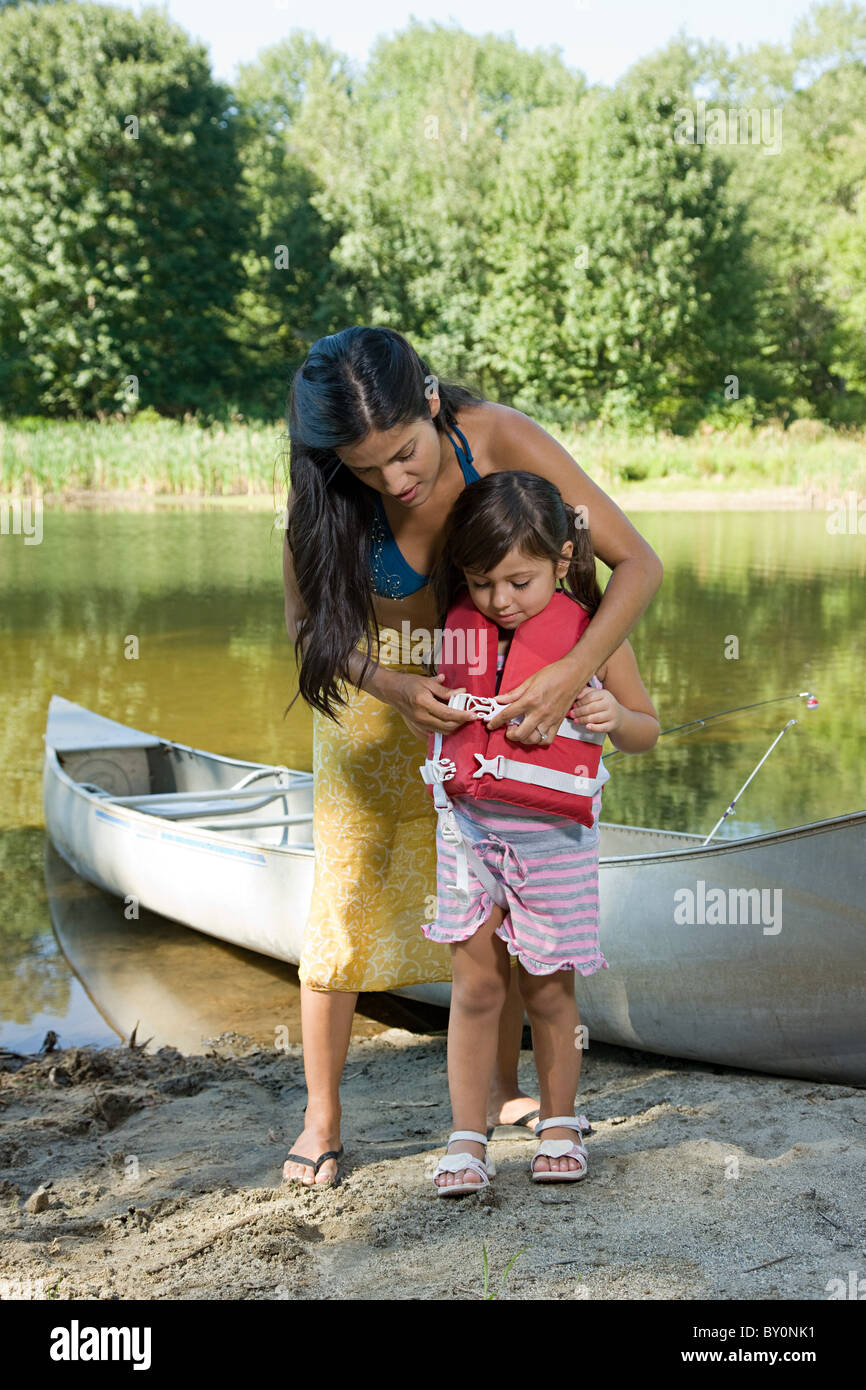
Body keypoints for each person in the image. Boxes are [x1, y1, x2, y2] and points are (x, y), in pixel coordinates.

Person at [281, 325, 663, 1186]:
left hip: (495, 703)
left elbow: (635, 563)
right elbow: (309, 627)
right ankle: (322, 1116)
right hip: (380, 703)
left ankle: (500, 1097)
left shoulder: (495, 437)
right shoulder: (324, 486)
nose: (395, 480)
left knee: (492, 919)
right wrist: (391, 688)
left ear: (427, 402)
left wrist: (570, 675)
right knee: (346, 898)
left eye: (405, 455)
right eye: (367, 469)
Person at [420, 472, 659, 1194]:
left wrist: (615, 720)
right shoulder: (456, 623)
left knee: (549, 991)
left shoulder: (593, 634)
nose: (499, 600)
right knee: (476, 987)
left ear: (562, 561)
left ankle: (559, 1123)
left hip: (552, 839)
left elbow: (647, 730)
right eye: (482, 582)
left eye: (519, 581)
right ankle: (468, 1137)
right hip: (468, 831)